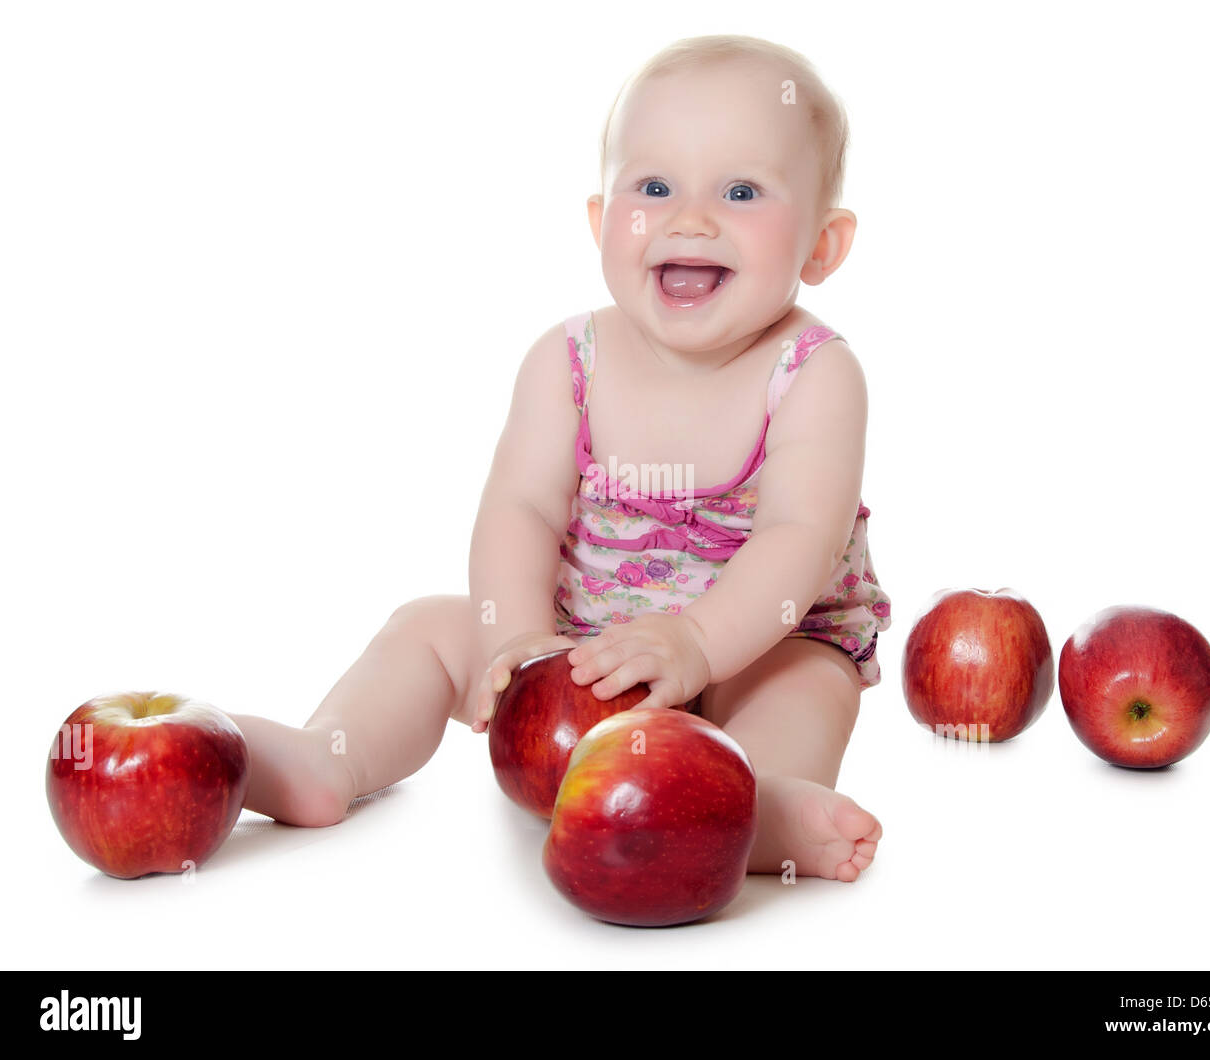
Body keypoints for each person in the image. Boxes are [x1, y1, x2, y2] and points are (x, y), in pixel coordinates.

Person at [230, 34, 892, 883]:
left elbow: (799, 537)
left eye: (741, 190)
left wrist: (696, 644)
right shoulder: (566, 360)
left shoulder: (815, 374)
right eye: (654, 187)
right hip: (579, 643)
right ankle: (330, 758)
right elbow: (522, 508)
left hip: (756, 643)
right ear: (600, 222)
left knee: (807, 684)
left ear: (822, 247)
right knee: (431, 627)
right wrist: (519, 642)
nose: (691, 218)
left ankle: (752, 805)